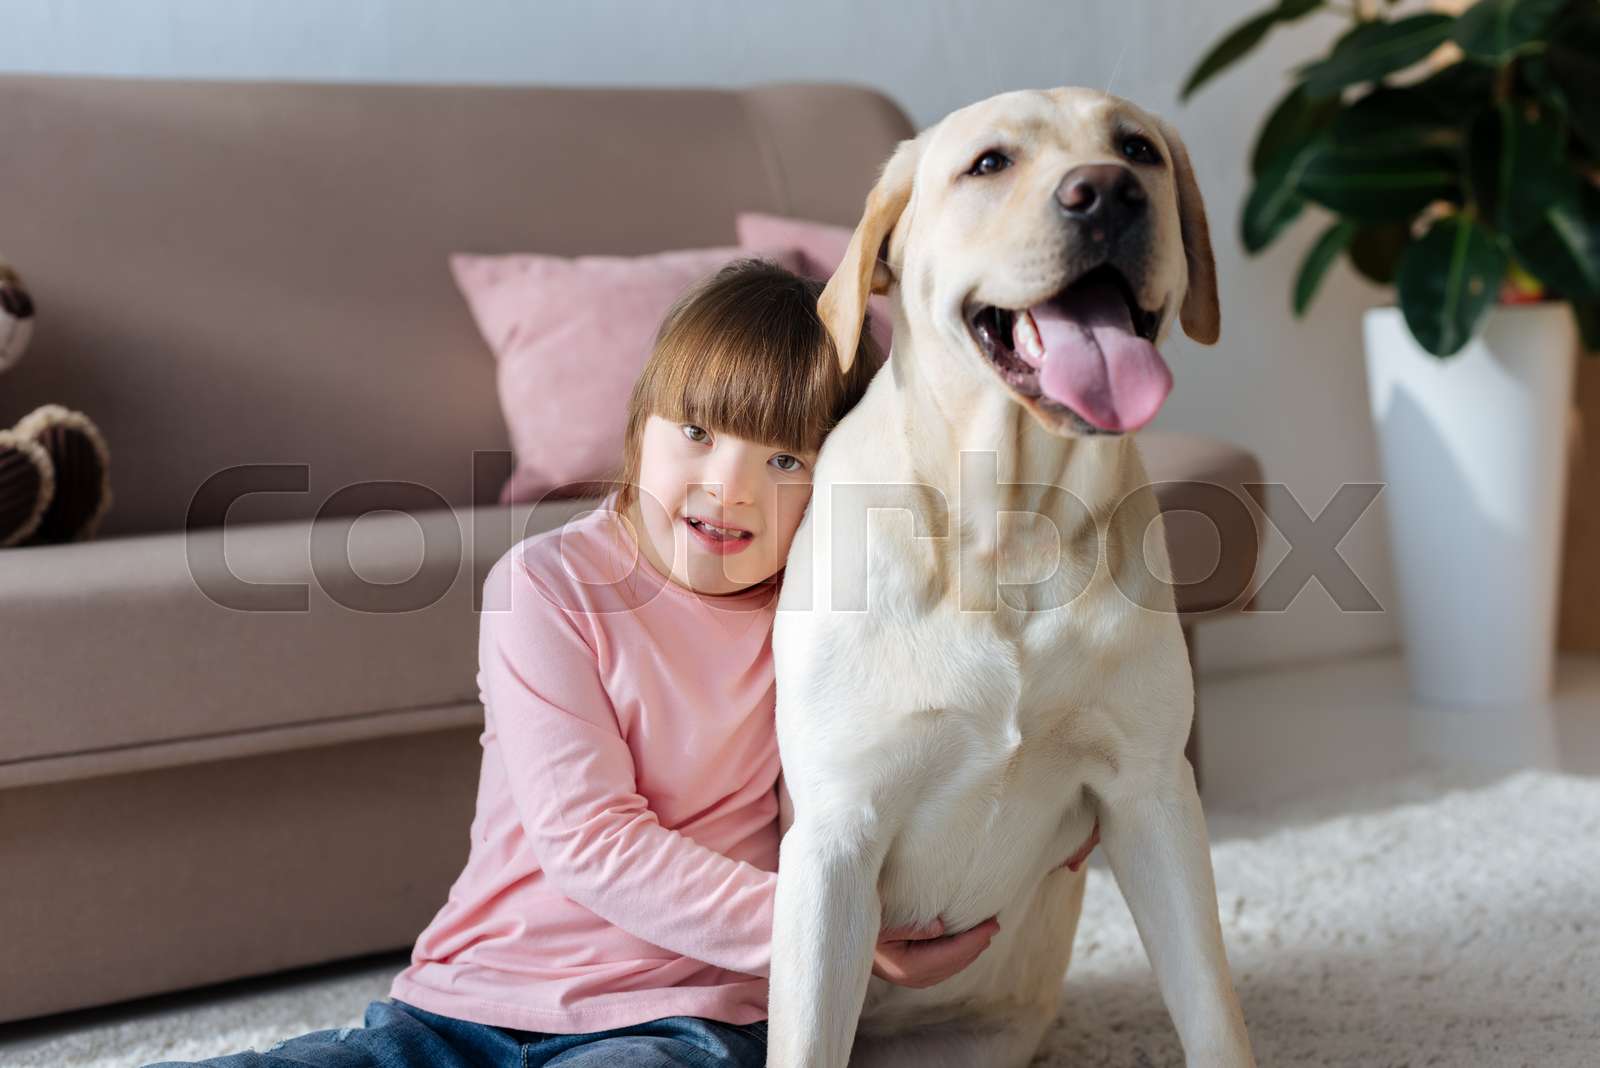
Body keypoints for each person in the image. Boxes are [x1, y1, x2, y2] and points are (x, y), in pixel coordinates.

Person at [148, 259, 1001, 1068]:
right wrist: (832, 927)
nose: (728, 487)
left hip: (684, 1015)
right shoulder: (546, 585)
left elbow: (959, 723)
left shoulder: (822, 613)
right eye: (698, 433)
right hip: (467, 1008)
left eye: (784, 460)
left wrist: (1053, 811)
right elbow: (588, 839)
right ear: (639, 427)